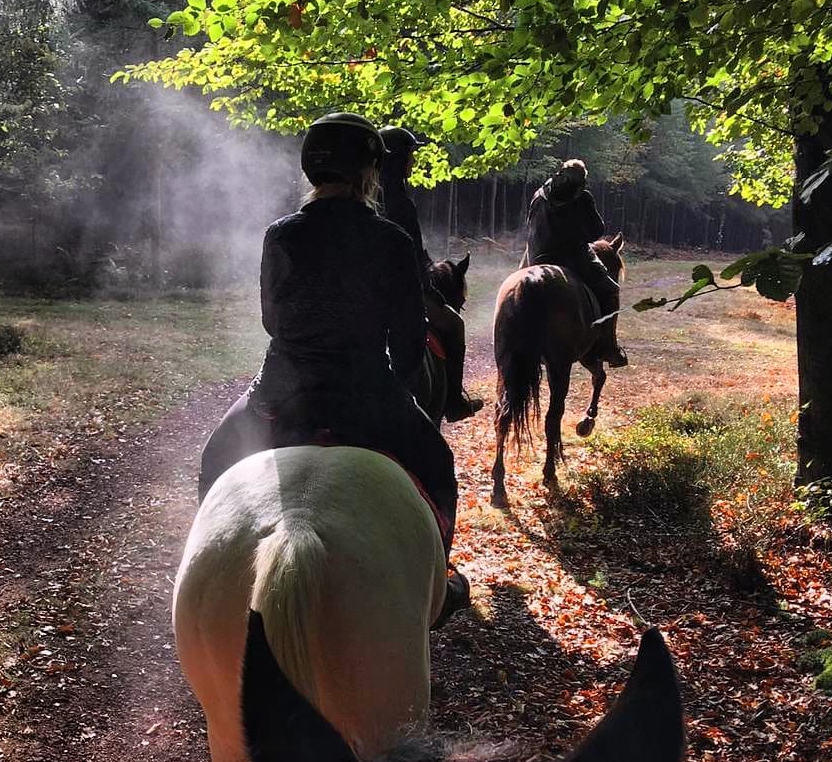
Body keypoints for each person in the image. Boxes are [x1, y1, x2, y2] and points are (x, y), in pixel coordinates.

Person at [198, 112, 462, 577]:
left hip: (281, 393)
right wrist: (397, 385)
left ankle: (207, 559)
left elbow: (271, 319)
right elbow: (406, 339)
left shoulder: (280, 234)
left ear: (310, 171)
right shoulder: (391, 239)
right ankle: (441, 573)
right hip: (366, 395)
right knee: (438, 464)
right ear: (369, 172)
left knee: (216, 458)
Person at [379, 125, 483, 422]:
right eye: (411, 155)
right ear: (398, 159)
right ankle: (453, 400)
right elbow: (409, 252)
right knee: (454, 323)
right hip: (399, 292)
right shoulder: (399, 199)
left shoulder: (367, 192)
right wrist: (428, 286)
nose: (413, 162)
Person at [524, 158, 628, 367]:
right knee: (610, 289)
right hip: (571, 258)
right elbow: (596, 231)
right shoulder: (582, 197)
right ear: (582, 179)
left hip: (535, 257)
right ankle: (608, 346)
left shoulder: (539, 194)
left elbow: (530, 224)